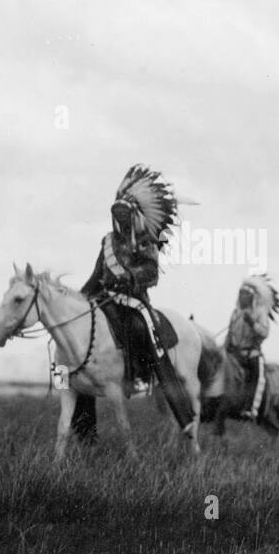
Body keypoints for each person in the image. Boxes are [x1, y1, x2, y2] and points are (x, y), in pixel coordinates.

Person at [70, 165, 192, 442]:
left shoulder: (146, 241)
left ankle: (138, 376)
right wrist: (80, 297)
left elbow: (151, 274)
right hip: (106, 299)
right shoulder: (108, 242)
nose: (121, 220)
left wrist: (131, 279)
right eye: (117, 215)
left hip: (135, 301)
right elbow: (96, 275)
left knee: (139, 329)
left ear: (133, 215)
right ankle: (84, 427)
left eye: (125, 215)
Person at [225, 273, 279, 420]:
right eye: (240, 294)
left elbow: (264, 332)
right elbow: (230, 334)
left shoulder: (260, 313)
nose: (242, 297)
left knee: (257, 375)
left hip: (252, 354)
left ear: (252, 297)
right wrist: (225, 348)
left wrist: (252, 323)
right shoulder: (235, 313)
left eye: (245, 294)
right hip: (234, 354)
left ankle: (252, 409)